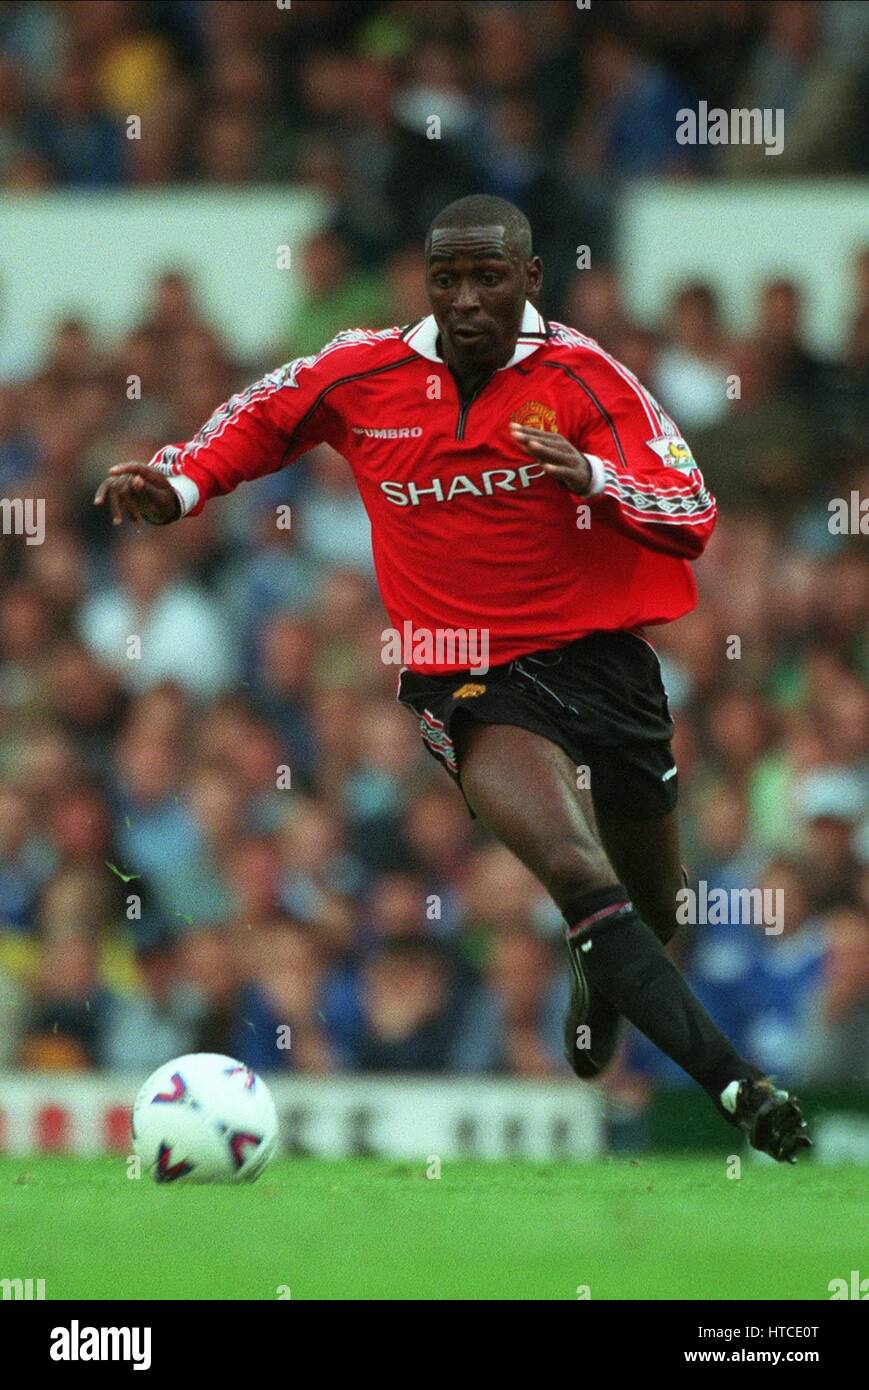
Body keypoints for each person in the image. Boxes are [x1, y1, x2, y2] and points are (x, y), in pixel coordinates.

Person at [95, 194, 810, 1163]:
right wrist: (177, 484)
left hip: (605, 667)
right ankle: (742, 1088)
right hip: (467, 678)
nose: (465, 299)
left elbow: (690, 509)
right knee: (572, 868)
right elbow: (260, 417)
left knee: (657, 909)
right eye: (445, 279)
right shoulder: (362, 369)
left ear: (529, 280)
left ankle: (599, 966)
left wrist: (592, 482)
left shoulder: (585, 377)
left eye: (487, 277)